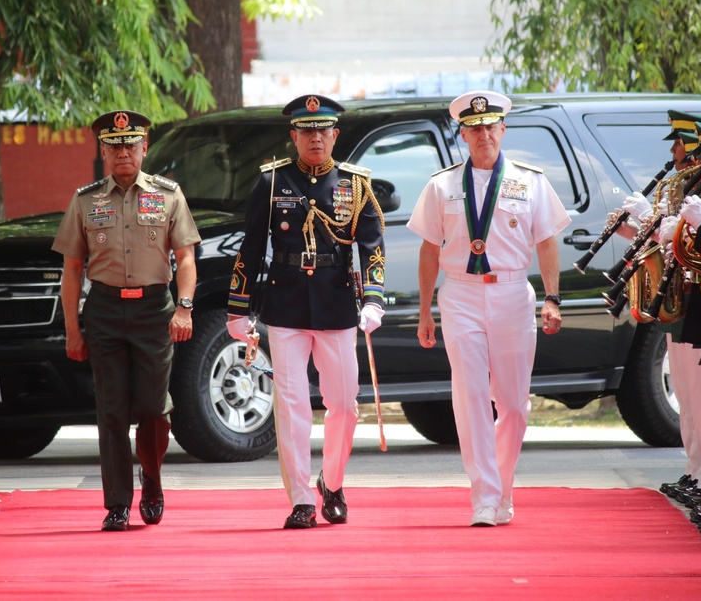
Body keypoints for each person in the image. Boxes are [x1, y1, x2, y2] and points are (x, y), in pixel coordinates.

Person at [407, 90, 570, 526]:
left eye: (490, 126)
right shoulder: (441, 185)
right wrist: (425, 311)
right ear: (463, 134)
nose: (484, 135)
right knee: (472, 394)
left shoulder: (530, 181)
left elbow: (547, 243)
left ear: (503, 129)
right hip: (460, 293)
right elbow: (427, 251)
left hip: (514, 293)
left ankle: (502, 482)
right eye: (474, 128)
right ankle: (484, 495)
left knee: (514, 405)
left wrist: (553, 298)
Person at [226, 94, 386, 529]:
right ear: (293, 136)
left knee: (344, 405)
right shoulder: (273, 182)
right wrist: (239, 309)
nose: (315, 138)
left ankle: (331, 482)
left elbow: (372, 248)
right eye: (307, 131)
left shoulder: (354, 185)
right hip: (286, 303)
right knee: (292, 404)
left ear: (336, 134)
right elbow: (251, 248)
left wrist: (373, 299)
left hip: (336, 304)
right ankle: (300, 499)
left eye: (323, 131)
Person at [52, 109, 200, 532]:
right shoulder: (86, 201)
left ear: (144, 148)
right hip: (104, 311)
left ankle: (151, 480)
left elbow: (186, 258)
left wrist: (184, 306)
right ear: (103, 150)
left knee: (154, 409)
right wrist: (73, 330)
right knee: (111, 410)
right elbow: (72, 271)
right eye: (114, 146)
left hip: (155, 310)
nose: (122, 153)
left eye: (130, 145)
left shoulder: (168, 195)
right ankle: (117, 502)